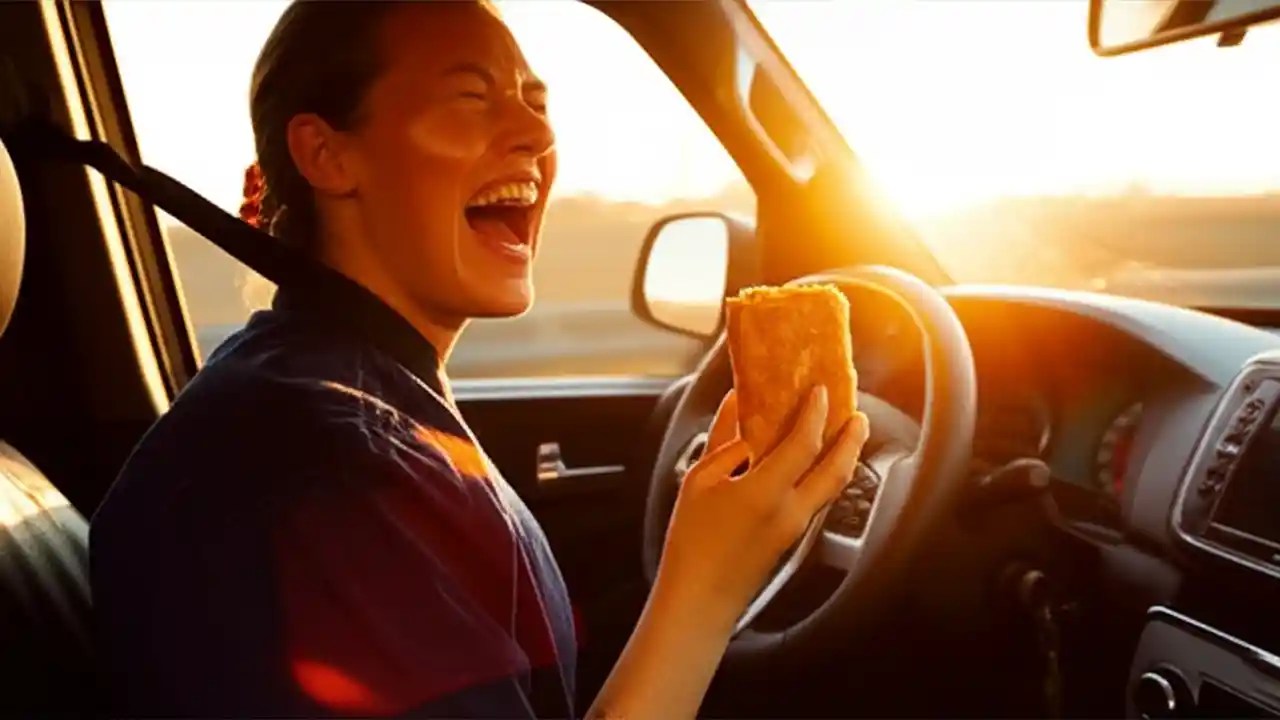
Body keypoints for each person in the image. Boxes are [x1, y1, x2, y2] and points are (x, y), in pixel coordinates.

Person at [89, 1, 870, 717]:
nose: (536, 135)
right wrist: (707, 584)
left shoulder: (330, 398)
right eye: (473, 96)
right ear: (327, 154)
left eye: (535, 102)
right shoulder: (337, 468)